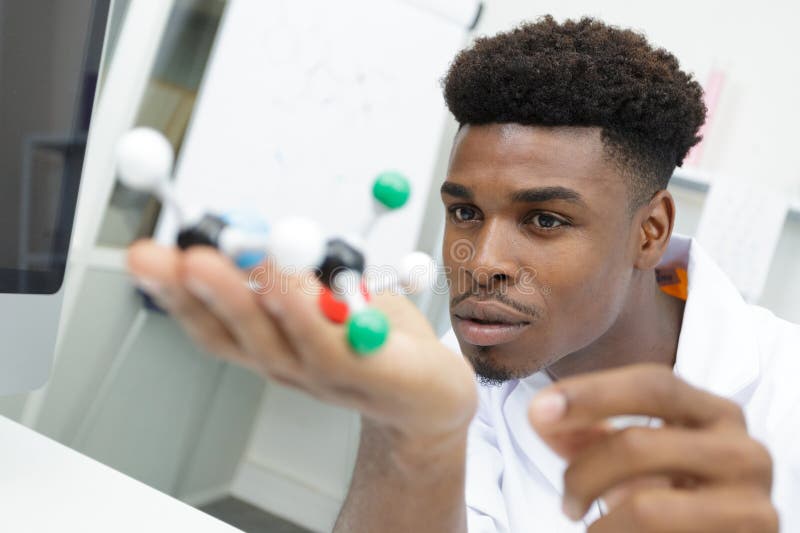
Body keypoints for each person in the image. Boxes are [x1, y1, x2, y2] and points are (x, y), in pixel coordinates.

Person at [128, 16, 797, 532]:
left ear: (649, 232)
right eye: (466, 211)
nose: (480, 263)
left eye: (544, 221)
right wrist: (407, 430)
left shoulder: (783, 388)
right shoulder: (464, 367)